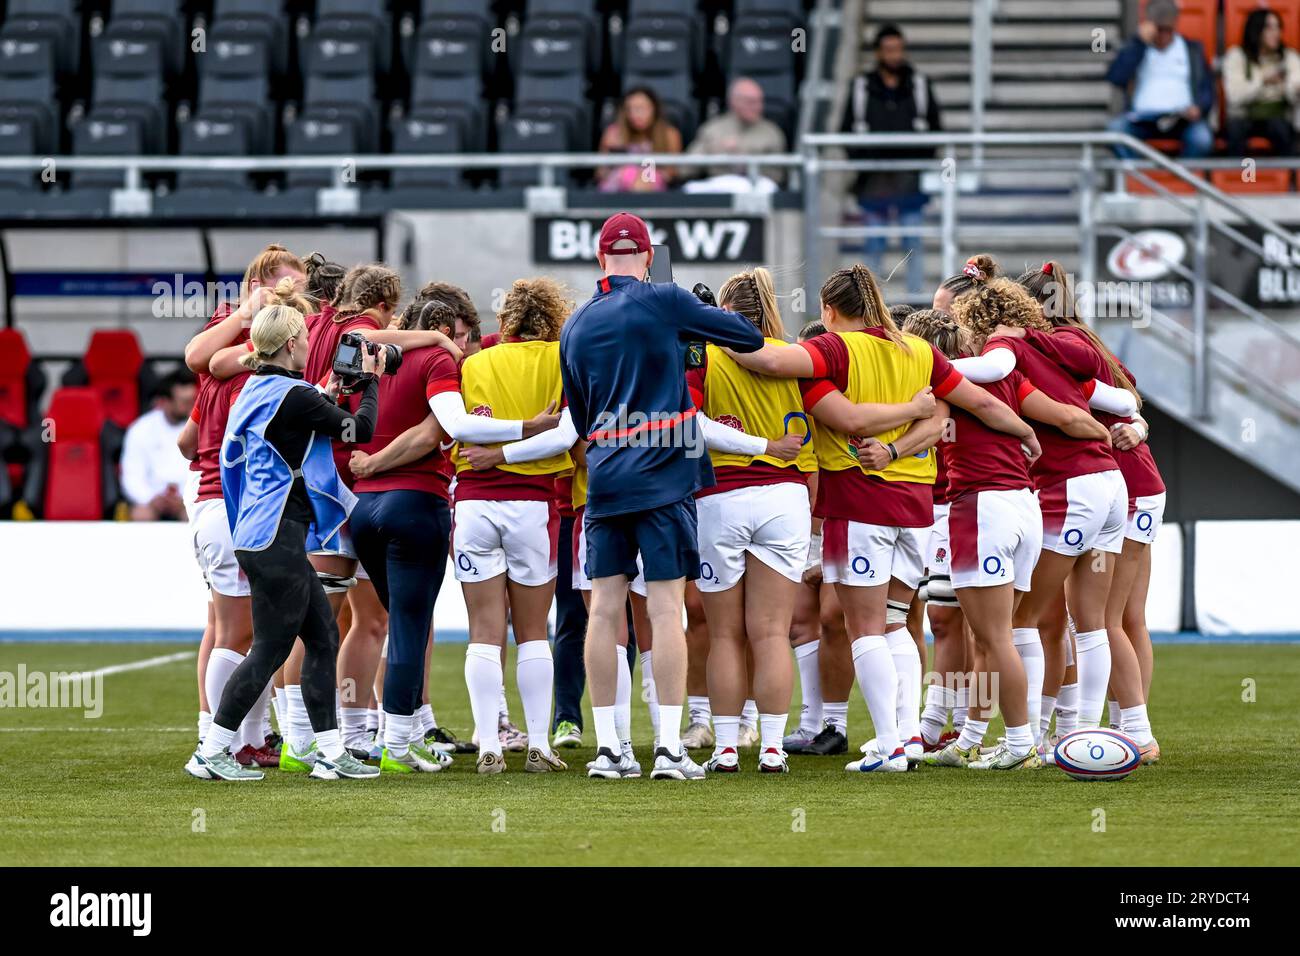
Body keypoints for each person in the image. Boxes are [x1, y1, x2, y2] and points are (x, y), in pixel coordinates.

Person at [724, 263, 1041, 773]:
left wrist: (707, 329)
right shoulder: (918, 349)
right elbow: (974, 401)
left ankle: (890, 745)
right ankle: (910, 736)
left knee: (865, 627)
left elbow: (774, 364)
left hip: (859, 502)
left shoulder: (833, 350)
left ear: (829, 310)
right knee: (896, 623)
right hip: (917, 509)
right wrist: (1024, 432)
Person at [558, 212, 766, 780]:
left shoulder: (575, 325)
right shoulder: (666, 298)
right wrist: (693, 323)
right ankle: (669, 749)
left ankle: (608, 749)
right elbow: (747, 337)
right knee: (667, 608)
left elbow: (578, 417)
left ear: (601, 259)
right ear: (647, 257)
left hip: (604, 476)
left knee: (603, 609)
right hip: (666, 473)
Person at [944, 263, 1150, 753]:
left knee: (1024, 621)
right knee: (1092, 619)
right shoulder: (1063, 349)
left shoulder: (1009, 350)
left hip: (1068, 489)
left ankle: (1030, 739)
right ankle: (1098, 733)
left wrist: (927, 367)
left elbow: (1006, 379)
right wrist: (1124, 428)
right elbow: (1122, 399)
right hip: (1110, 486)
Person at [186, 279, 383, 782]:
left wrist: (331, 394)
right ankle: (211, 751)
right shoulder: (294, 395)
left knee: (320, 642)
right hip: (277, 537)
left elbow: (299, 416)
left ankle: (329, 751)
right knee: (272, 649)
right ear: (294, 343)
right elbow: (358, 431)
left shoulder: (256, 388)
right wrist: (373, 381)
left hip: (257, 534)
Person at [1016, 261, 1164, 761]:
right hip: (1132, 481)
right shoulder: (1084, 341)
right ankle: (1125, 728)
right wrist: (1137, 424)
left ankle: (1132, 733)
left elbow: (1122, 401)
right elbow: (1130, 397)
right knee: (1121, 617)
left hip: (1120, 482)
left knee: (1104, 618)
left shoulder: (1061, 344)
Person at [348, 300, 465, 773]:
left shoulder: (370, 357)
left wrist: (370, 465)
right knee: (410, 628)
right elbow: (430, 433)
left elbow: (350, 354)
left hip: (363, 508)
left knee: (398, 620)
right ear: (436, 328)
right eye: (455, 333)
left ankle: (395, 733)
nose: (460, 344)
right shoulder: (437, 359)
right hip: (415, 502)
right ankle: (397, 745)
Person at [840, 24, 942, 298]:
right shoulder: (862, 87)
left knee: (913, 245)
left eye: (898, 49)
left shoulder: (919, 85)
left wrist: (916, 163)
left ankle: (917, 305)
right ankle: (874, 304)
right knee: (874, 244)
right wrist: (866, 163)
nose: (894, 55)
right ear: (878, 53)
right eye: (888, 50)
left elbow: (935, 131)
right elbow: (846, 130)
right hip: (873, 182)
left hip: (910, 181)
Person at [1106, 0, 1215, 159]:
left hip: (1182, 120)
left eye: (1167, 30)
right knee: (1115, 129)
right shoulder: (1136, 46)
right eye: (1159, 29)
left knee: (1202, 139)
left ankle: (1182, 180)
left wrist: (1200, 107)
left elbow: (1207, 87)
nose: (1163, 35)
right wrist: (1139, 43)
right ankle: (1139, 179)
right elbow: (1117, 78)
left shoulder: (1192, 49)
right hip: (1142, 119)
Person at [121, 369, 198, 520]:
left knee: (194, 515)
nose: (190, 407)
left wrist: (184, 498)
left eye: (192, 401)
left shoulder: (202, 428)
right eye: (184, 402)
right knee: (141, 515)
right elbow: (131, 475)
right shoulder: (140, 428)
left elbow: (205, 472)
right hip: (151, 499)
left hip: (187, 500)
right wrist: (150, 498)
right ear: (164, 401)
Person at [1223, 8, 1300, 156]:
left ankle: (1289, 178)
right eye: (1269, 28)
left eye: (1278, 27)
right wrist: (1263, 81)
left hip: (1277, 117)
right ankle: (1239, 178)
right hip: (1243, 117)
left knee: (1281, 129)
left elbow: (1294, 87)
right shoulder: (1236, 56)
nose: (1276, 33)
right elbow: (1234, 97)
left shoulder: (1289, 57)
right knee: (1235, 130)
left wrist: (1291, 87)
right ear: (1255, 30)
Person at [685, 77, 788, 186]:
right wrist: (716, 151)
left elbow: (779, 176)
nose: (758, 107)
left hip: (757, 189)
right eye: (751, 102)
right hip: (719, 189)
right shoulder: (713, 129)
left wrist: (746, 163)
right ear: (734, 102)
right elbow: (687, 168)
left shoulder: (772, 132)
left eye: (760, 101)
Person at [597, 87, 683, 193]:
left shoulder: (669, 134)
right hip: (617, 186)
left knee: (643, 179)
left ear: (654, 109)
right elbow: (600, 172)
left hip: (654, 185)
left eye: (642, 108)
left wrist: (644, 172)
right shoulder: (613, 133)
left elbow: (672, 173)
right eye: (631, 109)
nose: (636, 114)